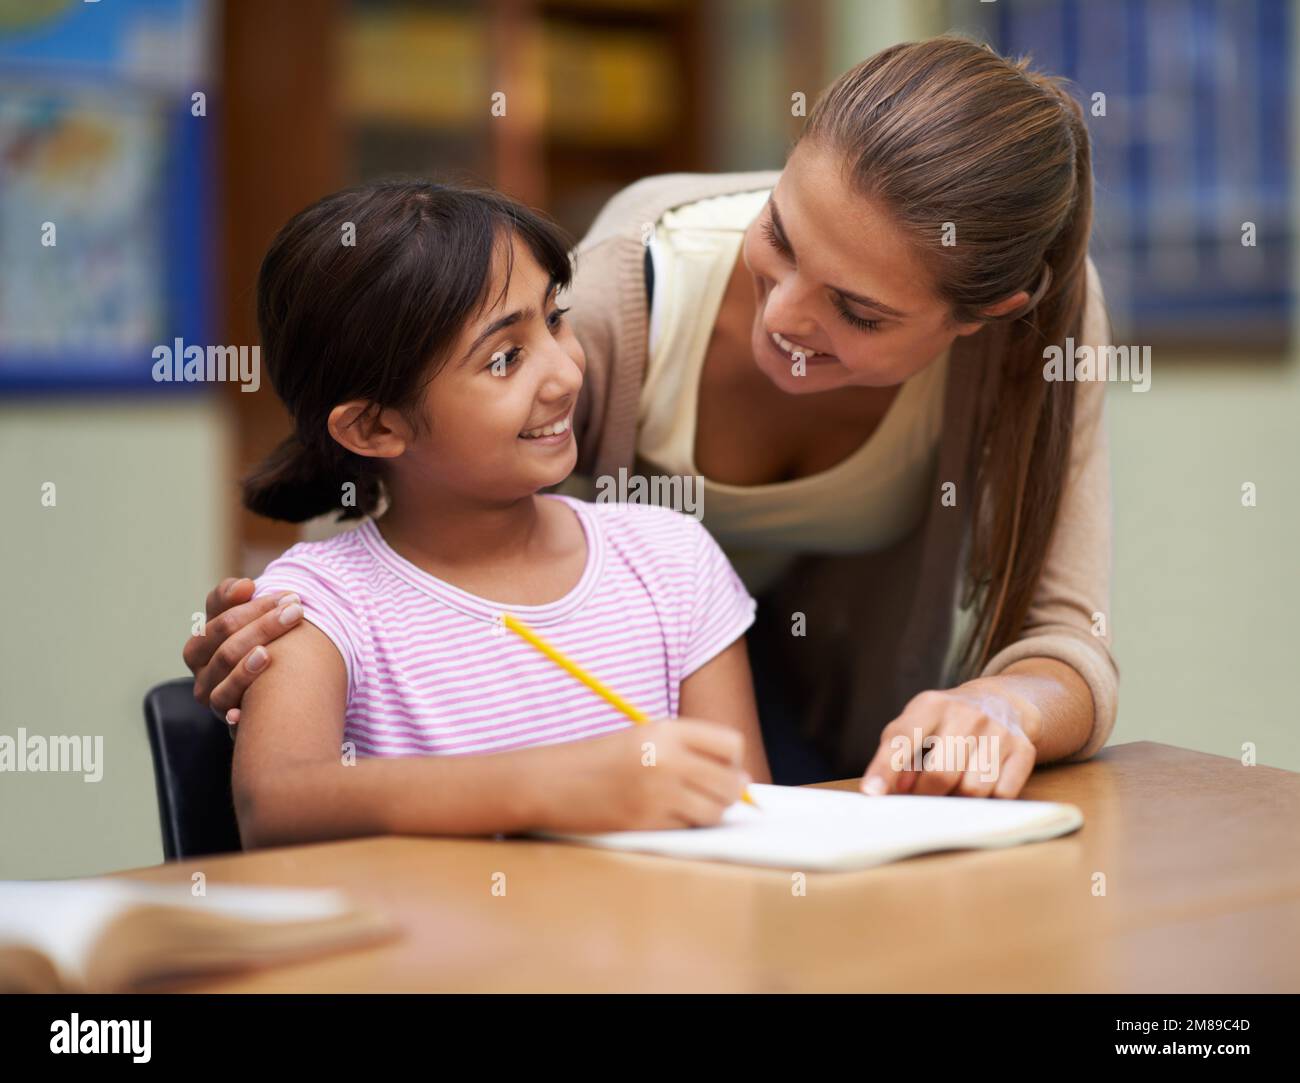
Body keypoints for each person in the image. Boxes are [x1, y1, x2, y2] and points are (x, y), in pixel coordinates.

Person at [187, 37, 1118, 798]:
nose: (785, 317)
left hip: (827, 752)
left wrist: (1008, 705)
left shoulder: (1036, 340)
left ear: (986, 315)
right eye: (780, 237)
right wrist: (284, 639)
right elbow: (403, 492)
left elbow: (1067, 634)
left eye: (859, 313)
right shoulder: (612, 296)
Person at [229, 180, 770, 849]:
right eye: (505, 357)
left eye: (554, 318)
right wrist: (555, 784)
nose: (567, 374)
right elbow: (274, 803)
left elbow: (750, 819)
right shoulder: (319, 603)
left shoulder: (672, 560)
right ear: (374, 427)